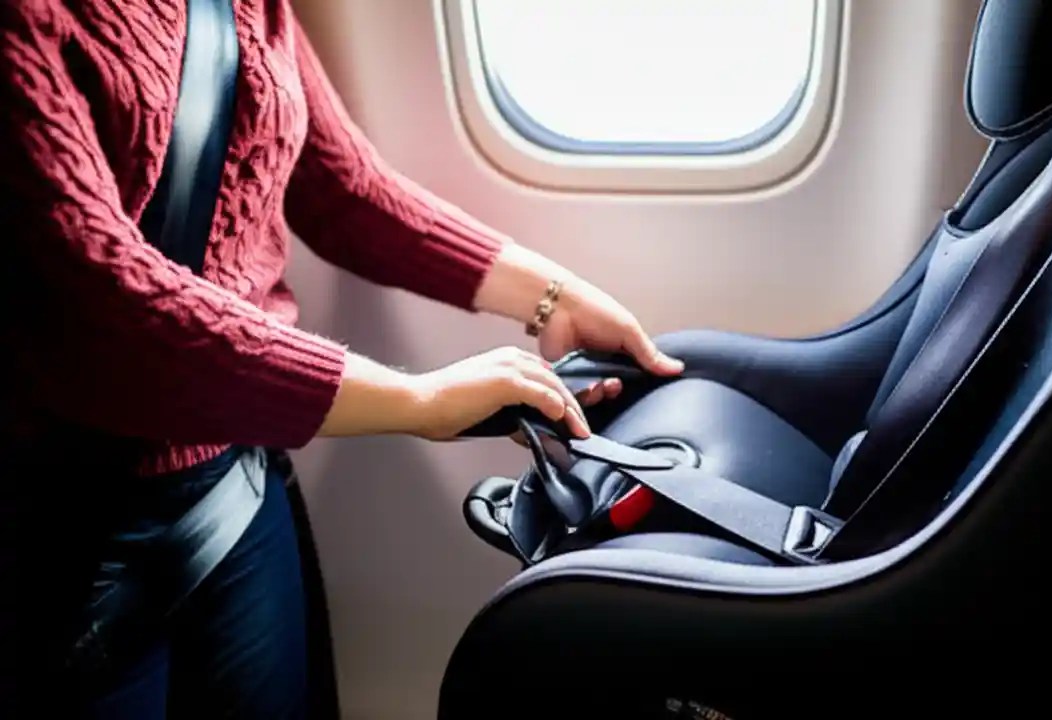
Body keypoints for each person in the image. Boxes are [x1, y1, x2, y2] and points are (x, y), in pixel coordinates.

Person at [0, 0, 683, 717]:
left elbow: (341, 190)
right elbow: (108, 309)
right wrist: (418, 402)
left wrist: (555, 296)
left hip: (235, 487)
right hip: (67, 519)